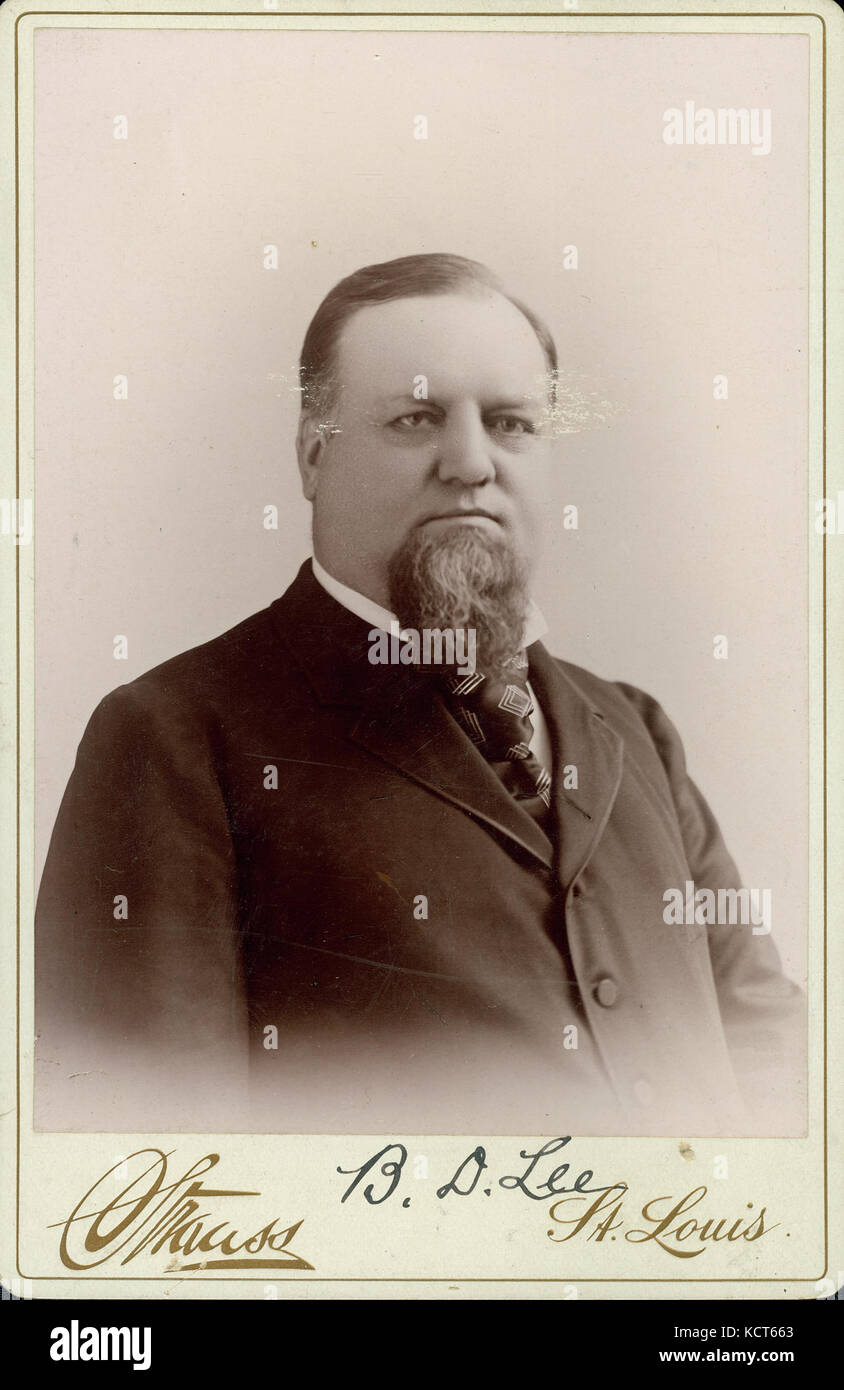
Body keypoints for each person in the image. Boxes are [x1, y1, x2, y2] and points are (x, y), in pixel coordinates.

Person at [35, 253, 805, 1135]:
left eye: (512, 424)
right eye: (415, 418)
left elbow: (771, 1048)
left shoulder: (636, 729)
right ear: (315, 456)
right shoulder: (174, 738)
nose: (471, 463)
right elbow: (153, 1162)